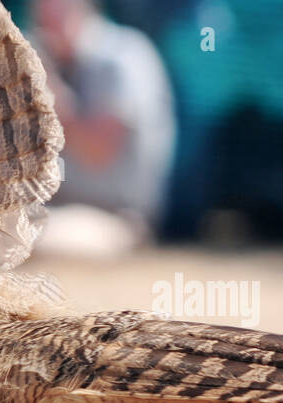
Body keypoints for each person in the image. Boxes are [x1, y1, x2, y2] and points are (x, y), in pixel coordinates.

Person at [31, 0, 176, 253]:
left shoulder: (121, 58)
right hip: (59, 211)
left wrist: (49, 94)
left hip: (117, 220)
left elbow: (98, 152)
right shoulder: (53, 58)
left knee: (18, 239)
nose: (45, 29)